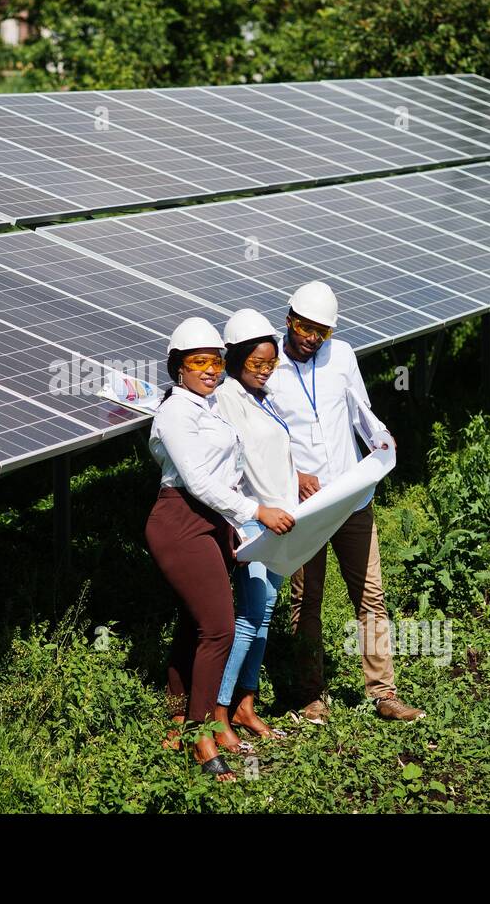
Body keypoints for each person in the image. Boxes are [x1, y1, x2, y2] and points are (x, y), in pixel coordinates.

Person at [267, 282, 426, 724]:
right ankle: (311, 695)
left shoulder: (343, 357)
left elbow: (361, 412)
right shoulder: (268, 366)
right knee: (307, 599)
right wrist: (293, 476)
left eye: (322, 331)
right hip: (306, 508)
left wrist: (379, 437)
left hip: (352, 497)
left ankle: (384, 693)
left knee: (370, 596)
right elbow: (261, 437)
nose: (312, 337)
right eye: (304, 327)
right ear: (289, 319)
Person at [145, 317, 295, 781]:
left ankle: (176, 717)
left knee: (195, 623)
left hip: (212, 523)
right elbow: (198, 481)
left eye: (216, 361)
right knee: (221, 627)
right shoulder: (177, 412)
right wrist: (256, 510)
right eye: (198, 361)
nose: (210, 369)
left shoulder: (208, 408)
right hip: (180, 520)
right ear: (179, 367)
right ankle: (201, 732)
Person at [211, 309, 296, 753]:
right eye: (257, 364)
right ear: (236, 359)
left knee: (265, 612)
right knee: (248, 615)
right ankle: (218, 714)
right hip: (252, 521)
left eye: (271, 364)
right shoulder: (225, 395)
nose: (265, 372)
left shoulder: (262, 396)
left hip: (284, 521)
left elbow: (272, 451)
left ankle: (246, 704)